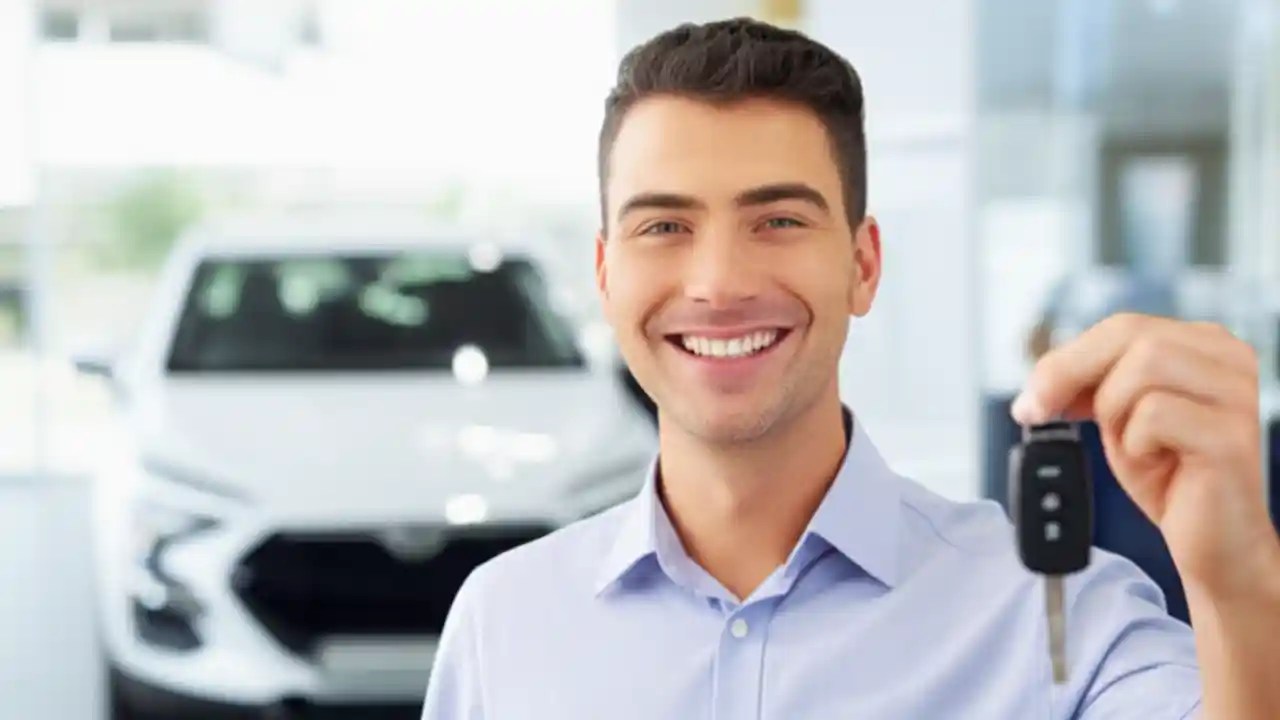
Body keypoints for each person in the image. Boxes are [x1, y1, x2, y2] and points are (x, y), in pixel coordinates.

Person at [422, 18, 1280, 719]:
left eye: (779, 221)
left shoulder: (1061, 619)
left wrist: (1241, 586)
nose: (718, 283)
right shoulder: (503, 626)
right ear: (607, 275)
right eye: (665, 227)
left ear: (863, 265)